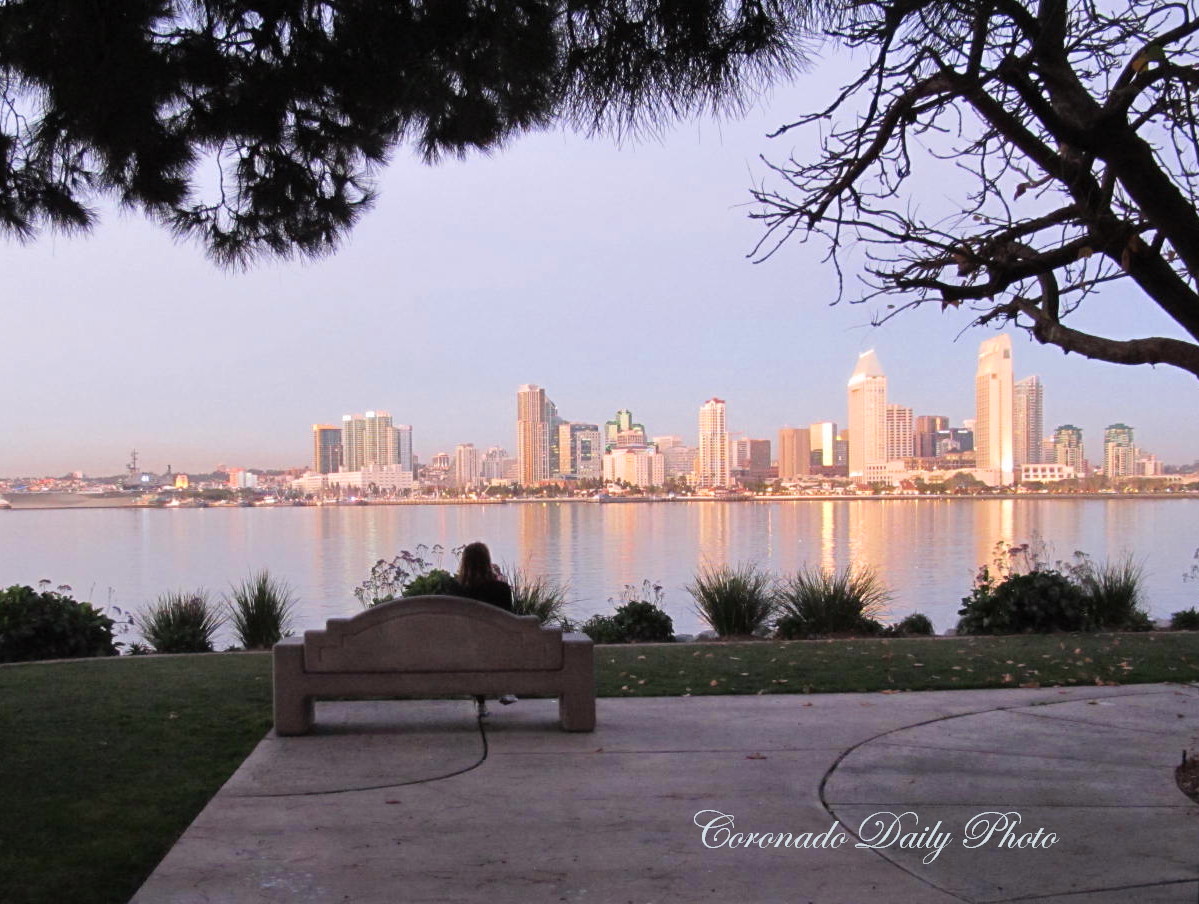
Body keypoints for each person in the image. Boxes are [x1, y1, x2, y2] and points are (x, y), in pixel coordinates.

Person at [445, 542, 516, 715]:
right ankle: (503, 688)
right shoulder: (501, 589)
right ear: (487, 561)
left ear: (464, 562)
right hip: (494, 647)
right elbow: (509, 620)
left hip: (462, 646)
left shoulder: (454, 588)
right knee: (493, 644)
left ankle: (481, 702)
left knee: (474, 648)